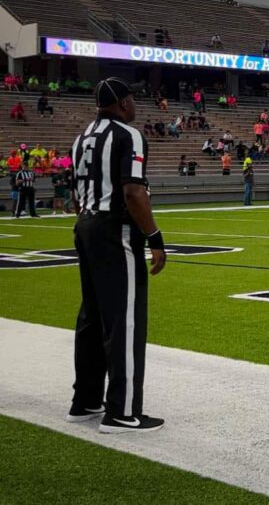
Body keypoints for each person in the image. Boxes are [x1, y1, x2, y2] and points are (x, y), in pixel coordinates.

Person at [67, 77, 166, 433]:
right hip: (115, 230)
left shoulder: (82, 138)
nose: (135, 105)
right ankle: (122, 412)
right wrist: (154, 237)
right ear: (123, 103)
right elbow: (134, 192)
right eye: (132, 99)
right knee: (124, 319)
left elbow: (76, 196)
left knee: (92, 315)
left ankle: (86, 400)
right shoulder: (129, 135)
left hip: (86, 224)